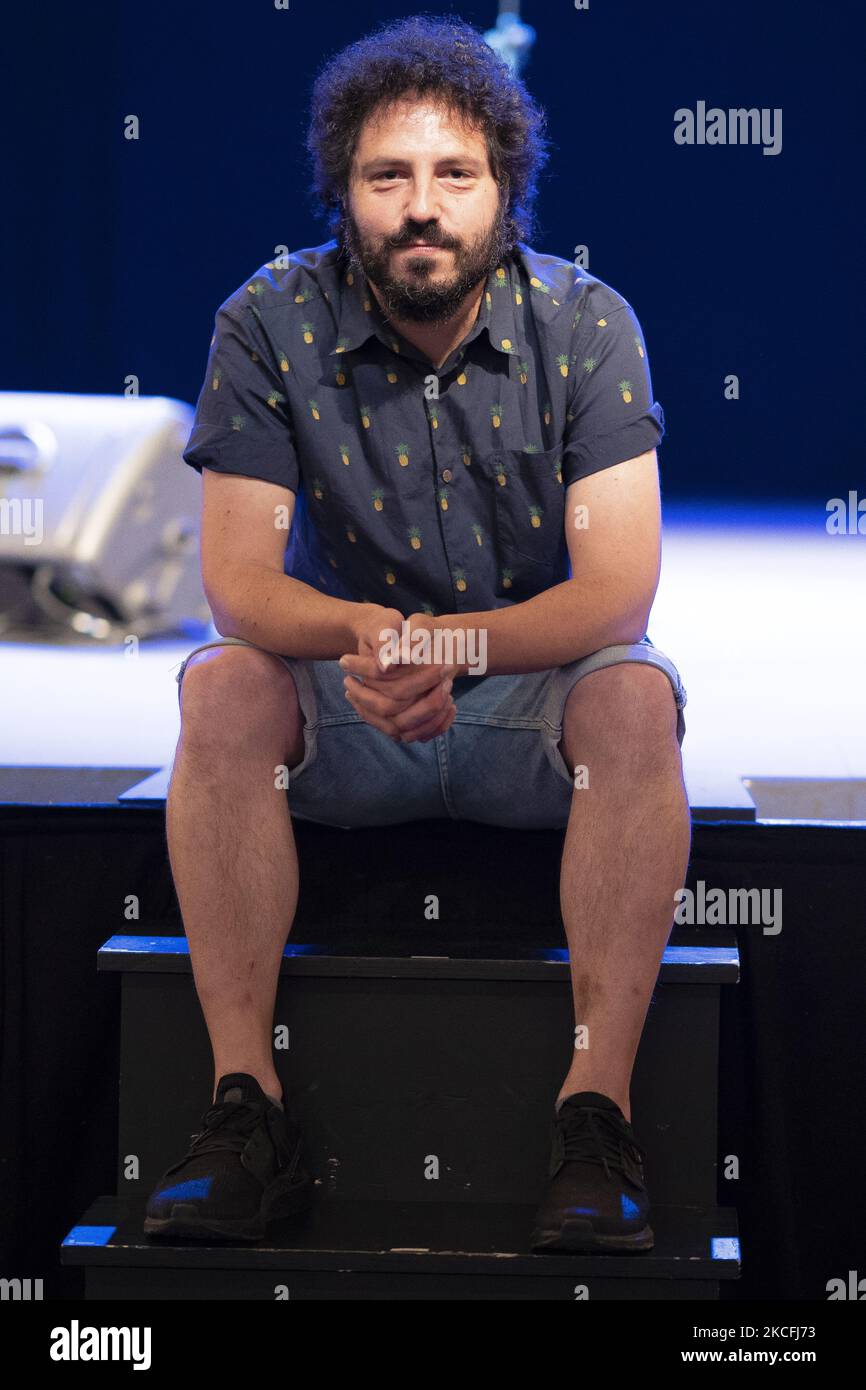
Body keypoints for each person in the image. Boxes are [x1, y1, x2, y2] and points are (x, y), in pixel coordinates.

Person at [144, 14, 690, 1252]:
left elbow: (615, 592)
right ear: (344, 191)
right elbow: (237, 582)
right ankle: (245, 1110)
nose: (421, 208)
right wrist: (365, 638)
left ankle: (592, 1123)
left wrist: (446, 651)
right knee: (221, 686)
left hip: (524, 702)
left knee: (634, 695)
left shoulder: (587, 321)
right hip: (342, 698)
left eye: (455, 175)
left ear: (505, 187)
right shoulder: (265, 319)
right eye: (387, 177)